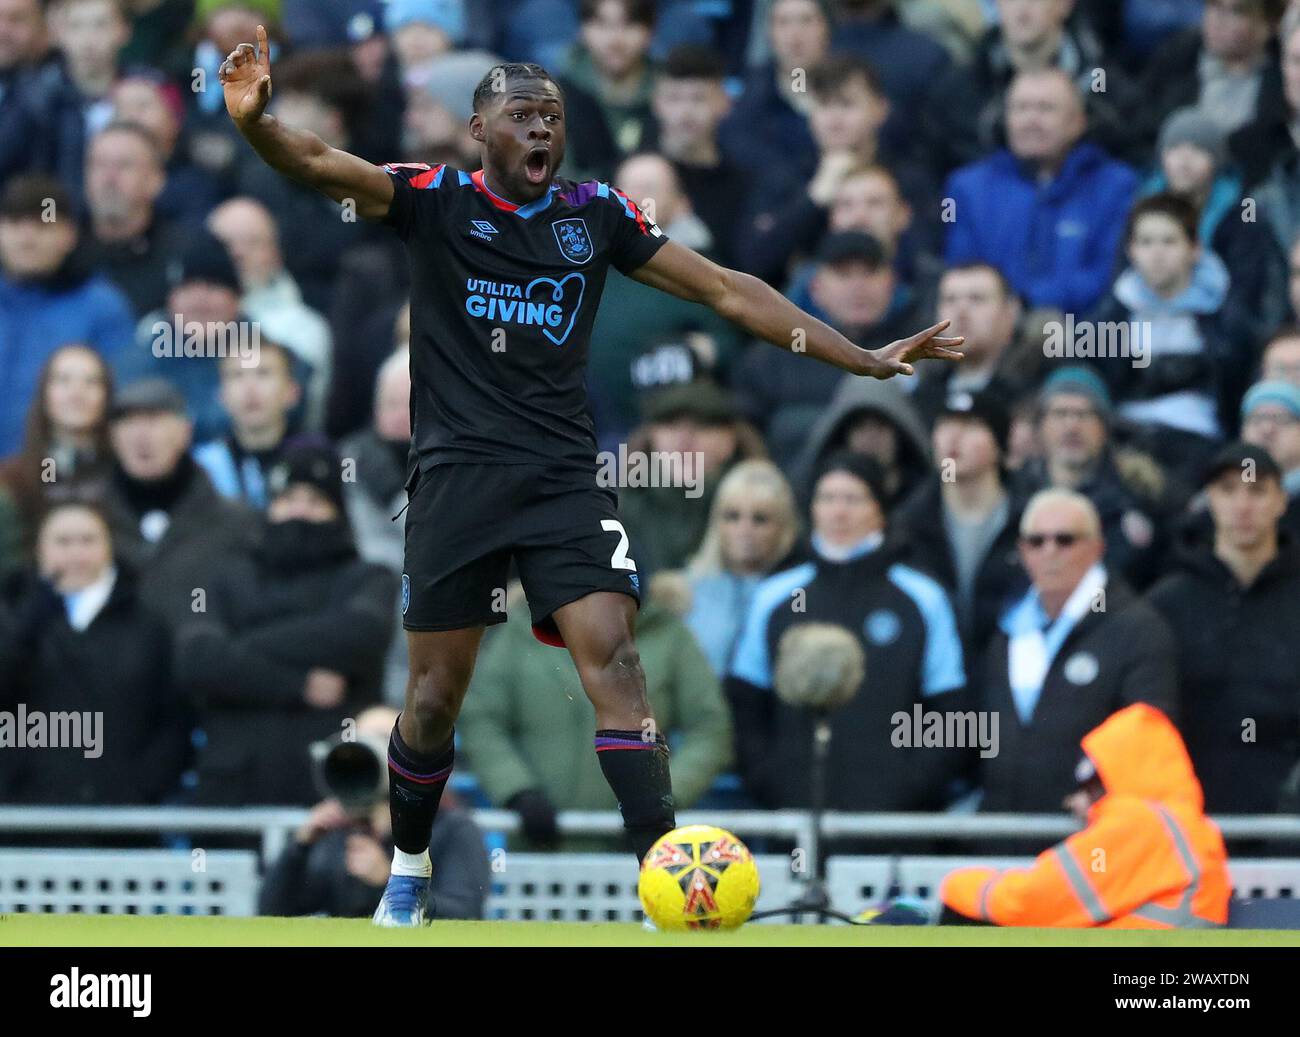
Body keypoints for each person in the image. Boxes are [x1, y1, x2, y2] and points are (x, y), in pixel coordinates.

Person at [218, 33, 961, 925]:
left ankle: (665, 876)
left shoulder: (597, 214)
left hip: (563, 477)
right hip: (457, 477)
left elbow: (726, 288)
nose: (543, 130)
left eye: (554, 118)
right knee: (430, 697)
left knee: (614, 656)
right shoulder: (435, 199)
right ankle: (408, 865)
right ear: (478, 129)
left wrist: (859, 356)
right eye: (523, 116)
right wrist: (259, 121)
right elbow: (315, 161)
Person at [726, 452, 967, 811]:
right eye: (827, 499)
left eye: (853, 499)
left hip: (894, 824)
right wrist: (773, 781)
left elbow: (950, 708)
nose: (839, 512)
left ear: (879, 510)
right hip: (793, 817)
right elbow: (746, 704)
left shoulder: (921, 596)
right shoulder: (777, 595)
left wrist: (911, 786)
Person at [176, 439, 396, 806]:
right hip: (232, 791)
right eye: (287, 499)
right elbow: (197, 658)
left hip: (333, 795)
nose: (298, 512)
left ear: (337, 512)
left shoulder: (368, 578)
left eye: (314, 502)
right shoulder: (223, 577)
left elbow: (361, 633)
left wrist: (242, 646)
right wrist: (297, 683)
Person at [459, 575, 733, 850]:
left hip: (639, 849)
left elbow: (710, 727)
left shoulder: (671, 637)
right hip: (537, 847)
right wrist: (517, 791)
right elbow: (481, 717)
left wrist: (662, 800)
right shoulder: (520, 632)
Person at [975, 489, 1178, 815]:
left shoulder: (1137, 628)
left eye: (1065, 540)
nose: (1050, 551)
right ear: (1023, 552)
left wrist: (1101, 787)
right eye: (1036, 541)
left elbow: (1149, 728)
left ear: (1097, 548)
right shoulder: (1007, 631)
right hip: (1004, 836)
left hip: (1091, 836)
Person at [940, 704, 1230, 929]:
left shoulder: (1137, 824)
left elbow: (1031, 901)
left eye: (1091, 783)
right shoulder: (1181, 824)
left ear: (1113, 772)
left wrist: (957, 883)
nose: (1084, 796)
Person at [0, 500, 189, 805]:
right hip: (27, 814)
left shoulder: (147, 624)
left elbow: (174, 720)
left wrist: (142, 787)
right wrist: (26, 625)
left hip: (122, 820)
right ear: (38, 549)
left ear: (109, 547)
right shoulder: (12, 614)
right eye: (63, 541)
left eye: (88, 540)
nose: (76, 553)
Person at [1148, 443, 1300, 814]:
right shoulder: (1168, 602)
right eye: (1229, 490)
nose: (1243, 506)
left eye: (1257, 490)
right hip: (1190, 811)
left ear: (1281, 501)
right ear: (1210, 500)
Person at [257, 705, 489, 919]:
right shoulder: (341, 828)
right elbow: (273, 910)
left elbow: (465, 914)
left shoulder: (453, 828)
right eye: (359, 740)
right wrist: (300, 847)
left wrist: (390, 883)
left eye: (383, 740)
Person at [943, 68, 1138, 314]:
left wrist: (1032, 301)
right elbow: (961, 271)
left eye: (1046, 109)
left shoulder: (1116, 185)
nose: (1031, 120)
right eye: (1021, 108)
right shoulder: (966, 188)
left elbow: (1110, 273)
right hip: (990, 335)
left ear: (1078, 122)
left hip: (1079, 335)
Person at [732, 231, 928, 469]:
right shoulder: (775, 353)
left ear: (892, 282)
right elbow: (742, 425)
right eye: (843, 274)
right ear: (815, 287)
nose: (858, 286)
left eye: (869, 272)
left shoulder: (920, 350)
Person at [1086, 193, 1231, 467]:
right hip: (1122, 439)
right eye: (1146, 242)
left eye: (1169, 241)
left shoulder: (1226, 316)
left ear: (1195, 248)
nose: (1157, 253)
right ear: (1131, 250)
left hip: (1201, 444)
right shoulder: (1109, 316)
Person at [102, 377, 258, 630]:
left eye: (154, 420)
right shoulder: (90, 523)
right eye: (128, 422)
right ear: (112, 436)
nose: (140, 436)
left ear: (186, 431)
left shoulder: (237, 524)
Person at [0, 174, 133, 457]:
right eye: (13, 224)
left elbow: (119, 399)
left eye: (41, 225)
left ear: (69, 235)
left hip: (60, 477)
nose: (26, 239)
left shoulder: (103, 308)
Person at [892, 390, 1028, 653]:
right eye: (945, 425)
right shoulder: (907, 523)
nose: (954, 437)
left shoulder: (1032, 523)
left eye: (971, 426)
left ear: (1000, 445)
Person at [1014, 367, 1169, 588]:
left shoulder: (1140, 496)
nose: (1072, 425)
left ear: (1105, 428)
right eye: (1060, 413)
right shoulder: (1012, 492)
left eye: (1084, 414)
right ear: (1041, 426)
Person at [206, 196, 333, 427]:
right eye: (224, 244)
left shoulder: (304, 329)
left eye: (252, 242)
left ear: (276, 253)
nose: (237, 253)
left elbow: (304, 414)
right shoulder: (164, 324)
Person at [679, 459, 803, 678]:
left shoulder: (798, 593)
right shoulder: (684, 591)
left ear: (784, 527)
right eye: (732, 516)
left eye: (760, 519)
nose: (744, 530)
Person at [0, 344, 114, 557]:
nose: (76, 393)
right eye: (63, 380)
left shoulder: (128, 473)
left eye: (91, 382)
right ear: (44, 393)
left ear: (107, 395)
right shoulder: (12, 481)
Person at [79, 121, 189, 319]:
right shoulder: (64, 249)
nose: (109, 178)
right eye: (99, 164)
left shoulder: (183, 255)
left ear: (156, 180)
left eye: (124, 166)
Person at [192, 342, 301, 510]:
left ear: (291, 391)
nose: (250, 388)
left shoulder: (320, 462)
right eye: (237, 375)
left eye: (263, 373)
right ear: (222, 395)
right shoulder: (200, 467)